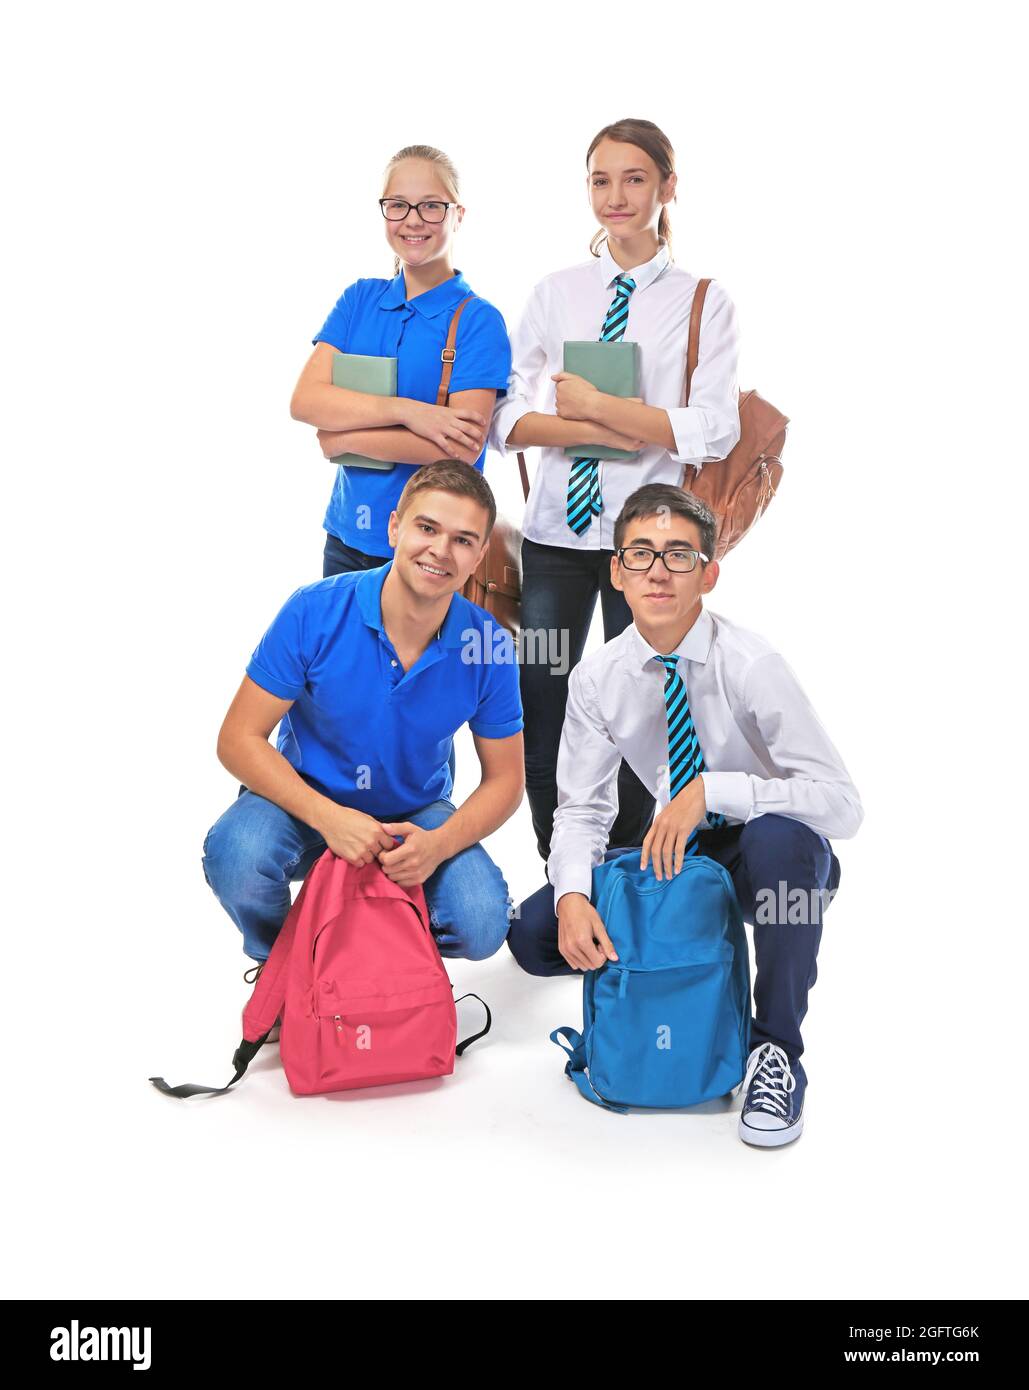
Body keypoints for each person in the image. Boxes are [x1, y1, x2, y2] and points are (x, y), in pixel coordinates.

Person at [507, 485, 863, 1148]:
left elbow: (841, 804)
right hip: (676, 852)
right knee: (533, 935)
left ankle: (776, 1052)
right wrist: (574, 897)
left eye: (678, 554)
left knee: (782, 847)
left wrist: (713, 791)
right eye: (640, 554)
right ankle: (679, 957)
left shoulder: (750, 664)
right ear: (616, 571)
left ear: (709, 572)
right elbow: (581, 808)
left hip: (764, 855)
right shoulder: (598, 676)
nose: (658, 572)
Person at [489, 118, 742, 866]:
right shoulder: (556, 291)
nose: (616, 196)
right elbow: (504, 411)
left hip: (647, 546)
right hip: (555, 541)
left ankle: (626, 869)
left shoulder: (702, 300)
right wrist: (580, 429)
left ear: (667, 189)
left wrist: (603, 410)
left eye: (634, 179)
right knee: (543, 696)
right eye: (601, 180)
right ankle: (559, 871)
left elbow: (716, 428)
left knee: (637, 705)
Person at [202, 462, 525, 1014]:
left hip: (415, 814)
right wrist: (330, 819)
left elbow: (506, 781)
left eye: (463, 540)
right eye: (427, 528)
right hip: (305, 800)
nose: (440, 551)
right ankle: (282, 967)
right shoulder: (314, 609)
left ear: (477, 555)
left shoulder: (488, 644)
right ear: (394, 527)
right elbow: (237, 739)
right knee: (237, 854)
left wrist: (437, 847)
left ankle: (385, 960)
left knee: (482, 921)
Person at [291, 144, 511, 580]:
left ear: (458, 215)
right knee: (343, 650)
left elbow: (463, 447)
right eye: (398, 205)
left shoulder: (478, 321)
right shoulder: (359, 299)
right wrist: (411, 413)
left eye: (431, 206)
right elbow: (306, 401)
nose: (413, 220)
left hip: (431, 547)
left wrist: (344, 440)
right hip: (345, 537)